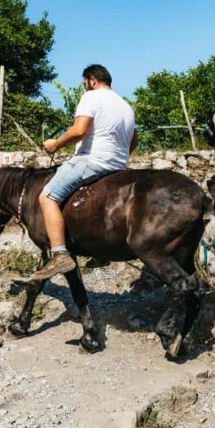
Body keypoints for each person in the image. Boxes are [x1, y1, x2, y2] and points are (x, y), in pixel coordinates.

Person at [33, 64, 137, 280]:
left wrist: (55, 145)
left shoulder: (91, 97)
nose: (84, 88)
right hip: (117, 166)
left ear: (91, 79)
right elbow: (133, 140)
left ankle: (59, 254)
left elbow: (79, 131)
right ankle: (101, 251)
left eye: (84, 84)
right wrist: (118, 156)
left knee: (48, 196)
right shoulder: (125, 105)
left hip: (92, 160)